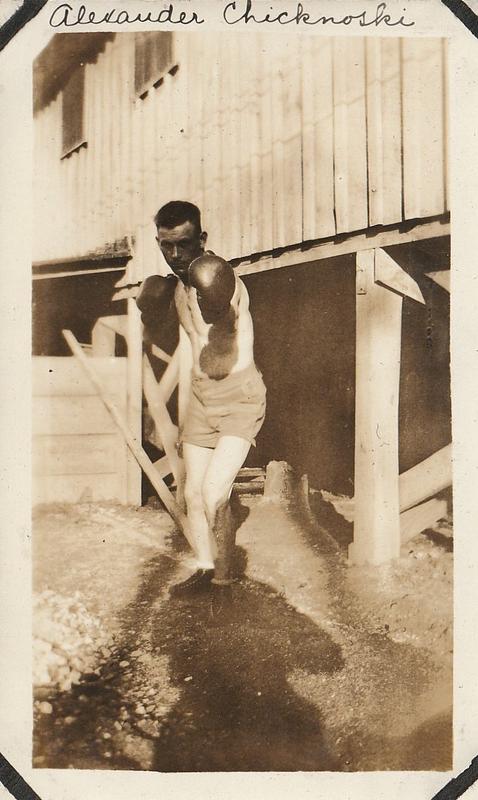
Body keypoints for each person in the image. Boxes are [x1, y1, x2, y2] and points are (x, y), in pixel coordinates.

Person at [136, 201, 266, 599]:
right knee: (191, 493)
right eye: (165, 245)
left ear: (202, 240)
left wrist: (210, 282)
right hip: (201, 398)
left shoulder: (220, 278)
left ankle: (226, 579)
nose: (175, 255)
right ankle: (207, 568)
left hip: (239, 397)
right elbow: (191, 345)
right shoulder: (174, 288)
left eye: (184, 244)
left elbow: (219, 306)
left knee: (214, 494)